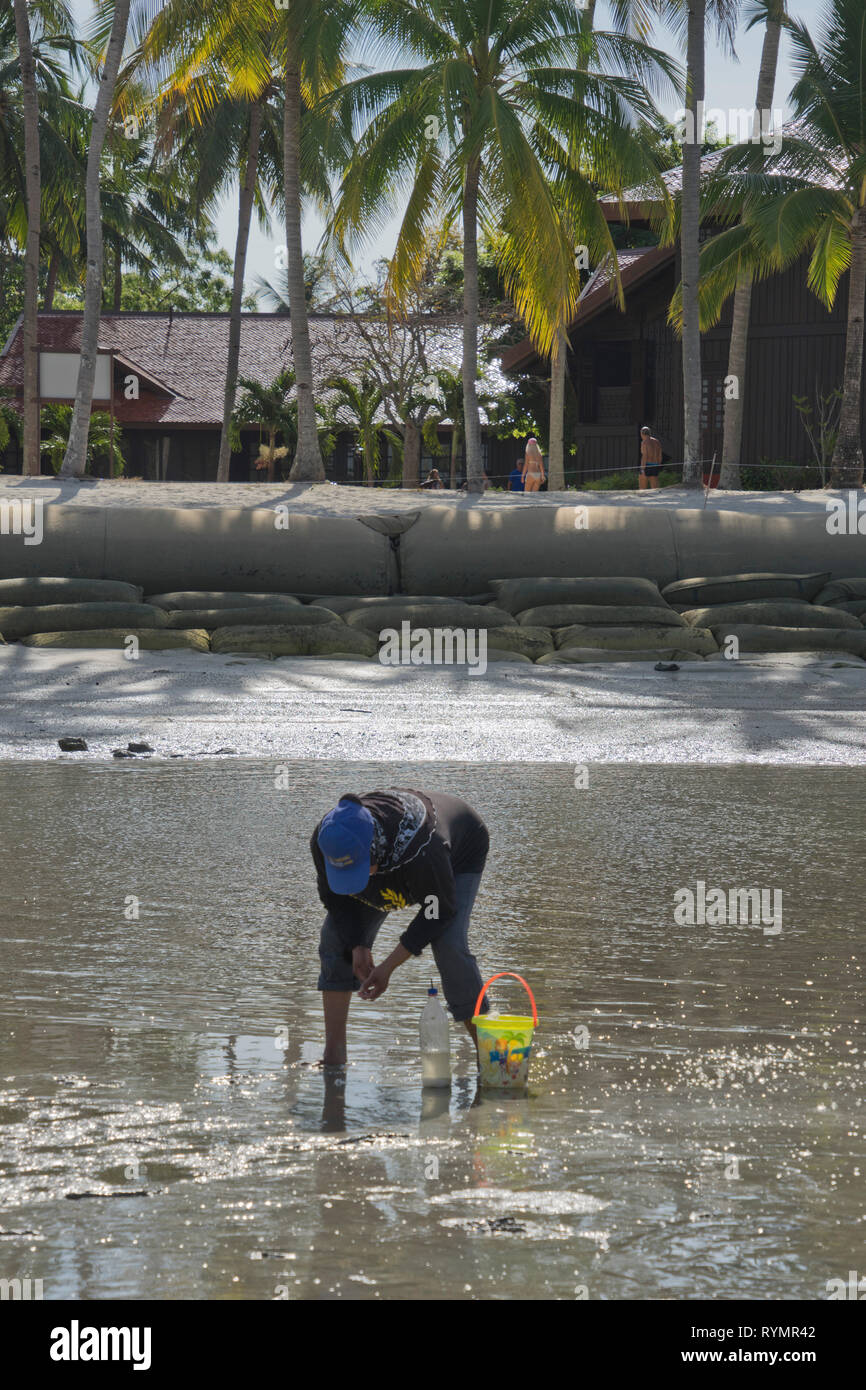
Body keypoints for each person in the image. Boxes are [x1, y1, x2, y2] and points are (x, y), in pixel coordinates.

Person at [311, 789, 490, 1066]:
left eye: (355, 871)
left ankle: (490, 1056)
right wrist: (357, 944)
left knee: (448, 945)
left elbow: (437, 911)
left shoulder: (424, 849)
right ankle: (333, 1057)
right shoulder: (328, 839)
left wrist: (388, 966)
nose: (352, 882)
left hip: (455, 855)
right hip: (388, 862)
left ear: (373, 846)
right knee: (336, 939)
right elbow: (335, 898)